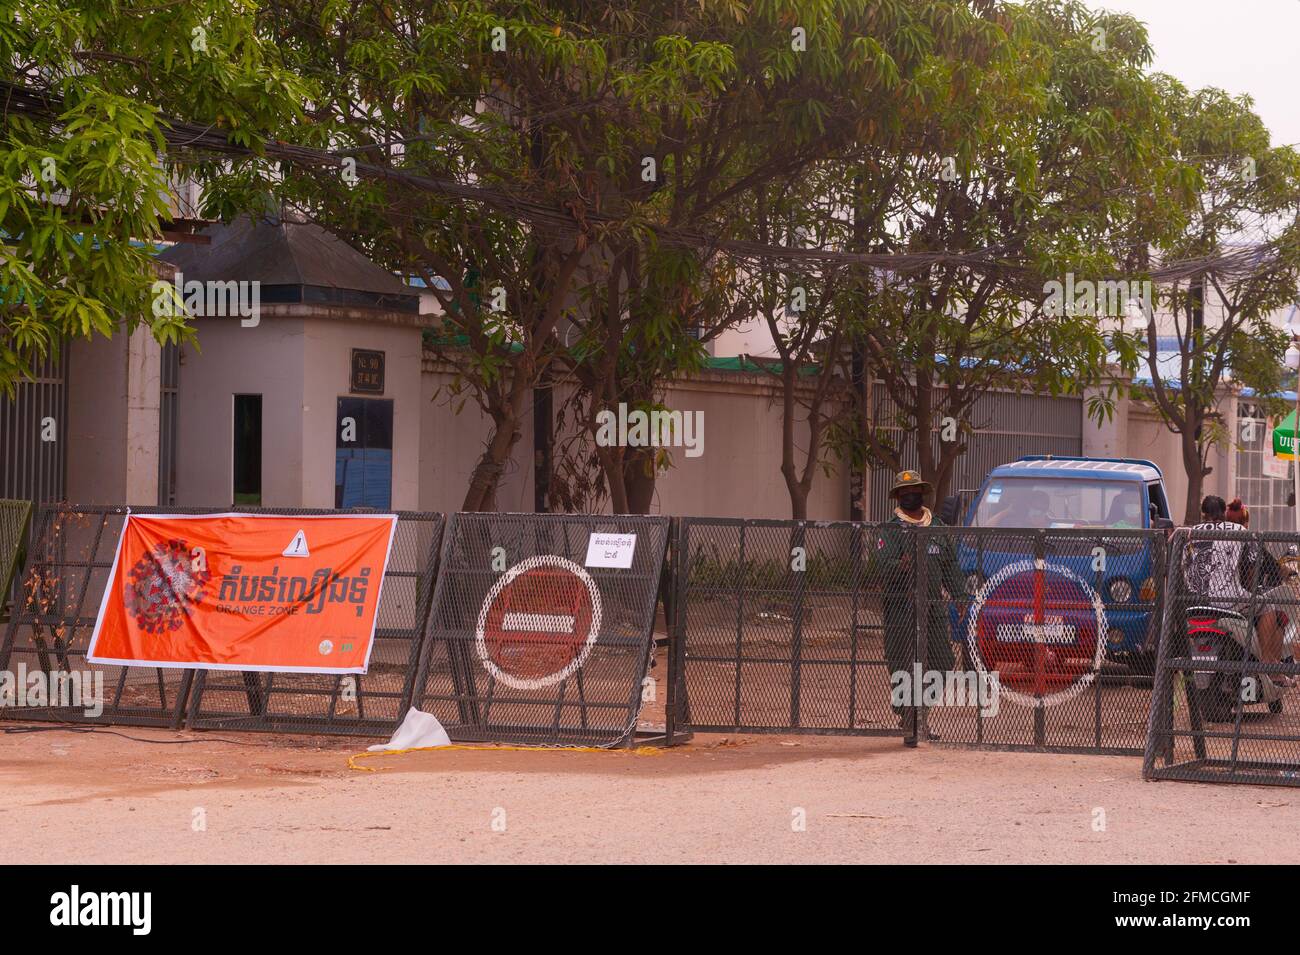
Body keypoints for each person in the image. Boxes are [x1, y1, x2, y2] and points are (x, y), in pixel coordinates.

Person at [877, 470, 968, 735]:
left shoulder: (937, 526)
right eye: (904, 493)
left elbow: (950, 565)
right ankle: (909, 717)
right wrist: (901, 565)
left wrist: (959, 596)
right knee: (902, 664)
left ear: (921, 492)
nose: (909, 496)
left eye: (913, 491)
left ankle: (921, 711)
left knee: (942, 660)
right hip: (900, 608)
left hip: (932, 607)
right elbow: (884, 566)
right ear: (898, 496)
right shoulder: (891, 529)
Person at [1185, 495, 1294, 680]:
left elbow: (1184, 565)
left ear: (1204, 513)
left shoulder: (1189, 532)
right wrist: (1250, 589)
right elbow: (1253, 565)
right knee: (1267, 605)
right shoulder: (1240, 531)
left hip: (1194, 601)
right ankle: (1268, 663)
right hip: (1228, 601)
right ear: (1223, 513)